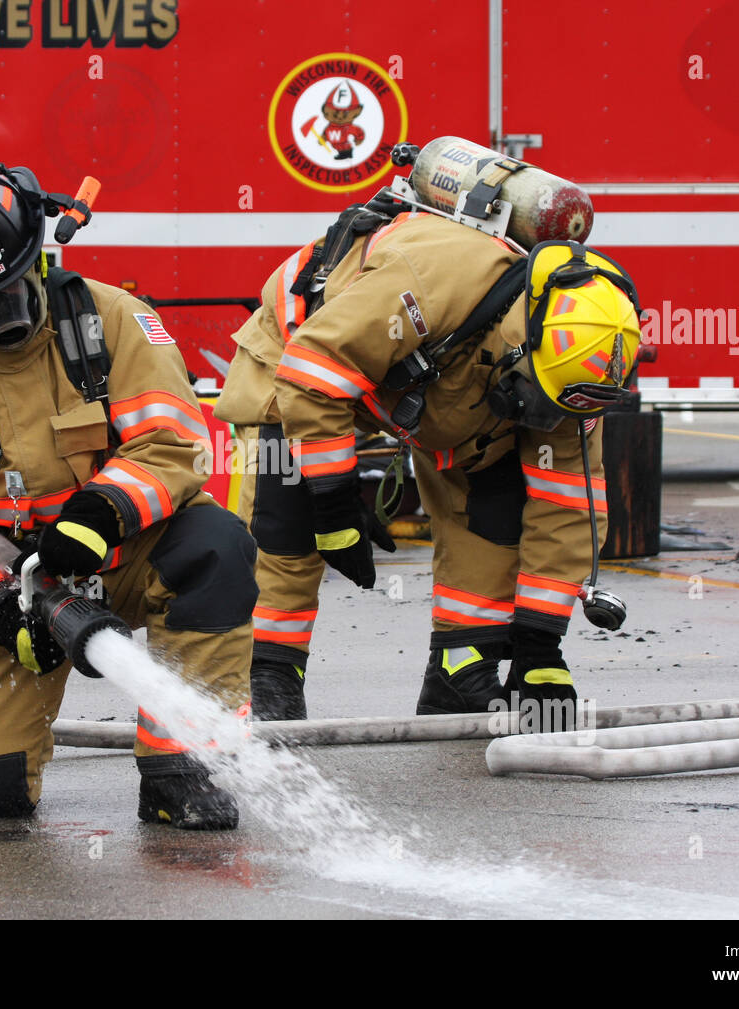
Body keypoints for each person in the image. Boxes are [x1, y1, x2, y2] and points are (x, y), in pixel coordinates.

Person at [0, 154, 257, 824]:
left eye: (10, 287)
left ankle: (188, 769)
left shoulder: (112, 321)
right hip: (15, 591)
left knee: (216, 545)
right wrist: (1, 613)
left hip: (127, 556)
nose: (3, 312)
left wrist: (100, 515)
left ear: (36, 259)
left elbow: (175, 444)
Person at [214, 189, 641, 729]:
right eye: (536, 398)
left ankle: (461, 668)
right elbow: (315, 375)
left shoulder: (581, 364)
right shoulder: (429, 278)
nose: (543, 416)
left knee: (495, 501)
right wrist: (335, 499)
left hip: (443, 390)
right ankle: (269, 670)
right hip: (306, 351)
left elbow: (567, 506)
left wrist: (541, 648)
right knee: (289, 502)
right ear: (522, 346)